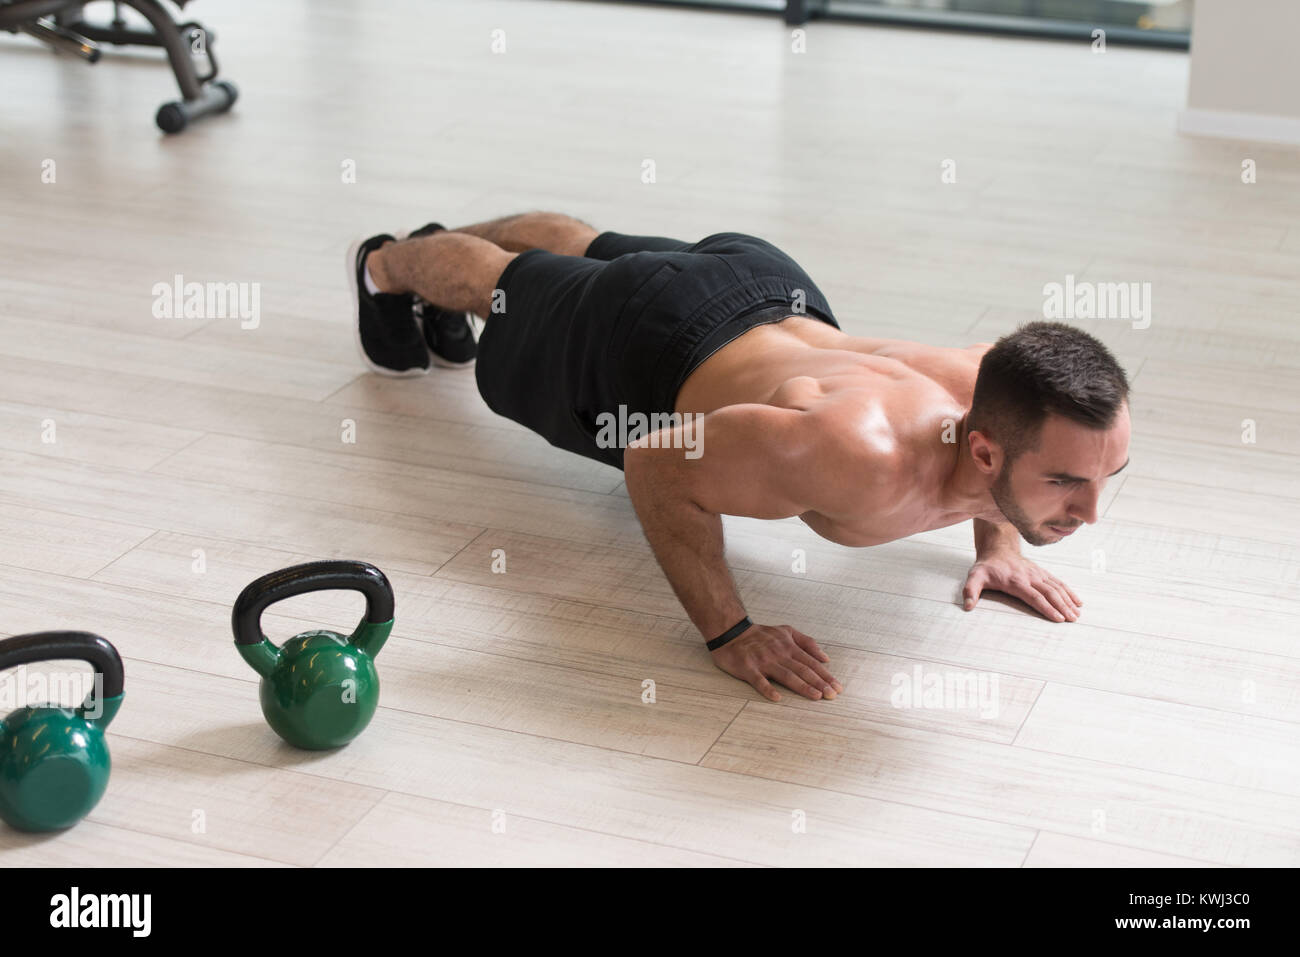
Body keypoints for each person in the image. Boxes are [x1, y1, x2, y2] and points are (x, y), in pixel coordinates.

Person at [348, 211, 1131, 702]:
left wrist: (1001, 539)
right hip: (649, 343)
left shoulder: (1005, 385)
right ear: (988, 452)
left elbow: (1002, 444)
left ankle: (464, 260)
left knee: (586, 251)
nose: (1091, 512)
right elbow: (657, 461)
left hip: (770, 286)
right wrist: (729, 631)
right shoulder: (854, 451)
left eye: (1104, 478)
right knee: (506, 283)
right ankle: (387, 264)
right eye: (1066, 483)